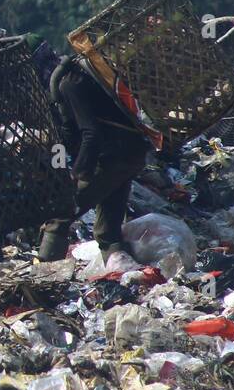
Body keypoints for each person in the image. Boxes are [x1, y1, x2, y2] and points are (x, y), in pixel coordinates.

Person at [37, 56, 151, 262]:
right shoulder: (89, 77)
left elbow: (92, 134)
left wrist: (79, 172)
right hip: (132, 153)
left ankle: (44, 273)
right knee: (107, 231)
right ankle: (124, 273)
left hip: (113, 157)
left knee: (61, 215)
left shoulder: (70, 84)